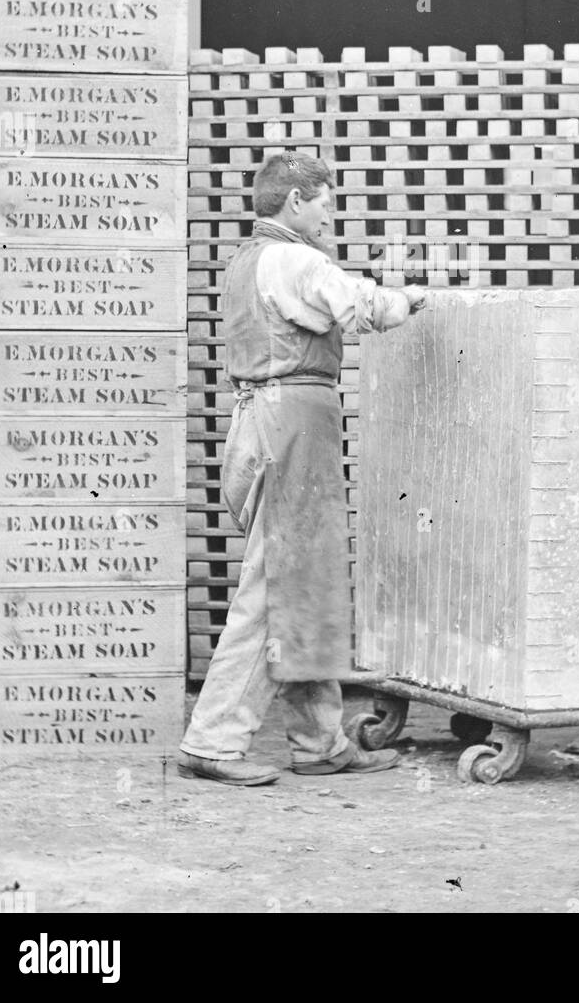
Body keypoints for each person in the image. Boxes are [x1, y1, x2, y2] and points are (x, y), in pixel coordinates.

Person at [178, 153, 426, 785]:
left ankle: (319, 742)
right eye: (324, 204)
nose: (329, 216)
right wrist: (415, 298)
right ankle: (212, 741)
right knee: (273, 590)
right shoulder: (297, 260)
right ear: (294, 202)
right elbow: (364, 309)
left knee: (305, 583)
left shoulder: (247, 260)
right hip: (288, 418)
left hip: (268, 417)